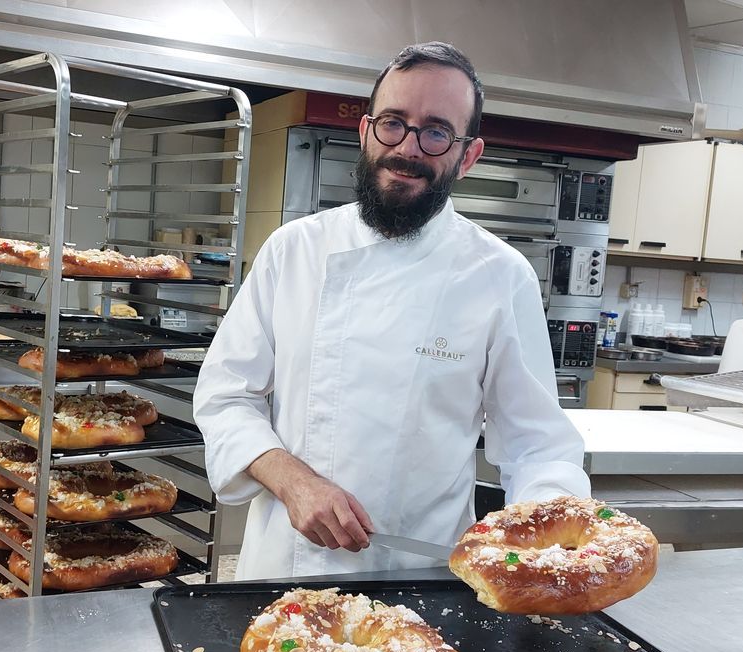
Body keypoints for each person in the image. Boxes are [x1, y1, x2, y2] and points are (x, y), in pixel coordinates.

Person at [192, 42, 590, 580]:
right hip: (287, 569)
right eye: (393, 123)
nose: (407, 147)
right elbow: (224, 397)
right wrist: (293, 481)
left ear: (467, 155)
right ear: (365, 132)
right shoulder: (294, 251)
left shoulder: (499, 275)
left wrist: (549, 542)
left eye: (436, 131)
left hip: (421, 572)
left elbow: (538, 444)